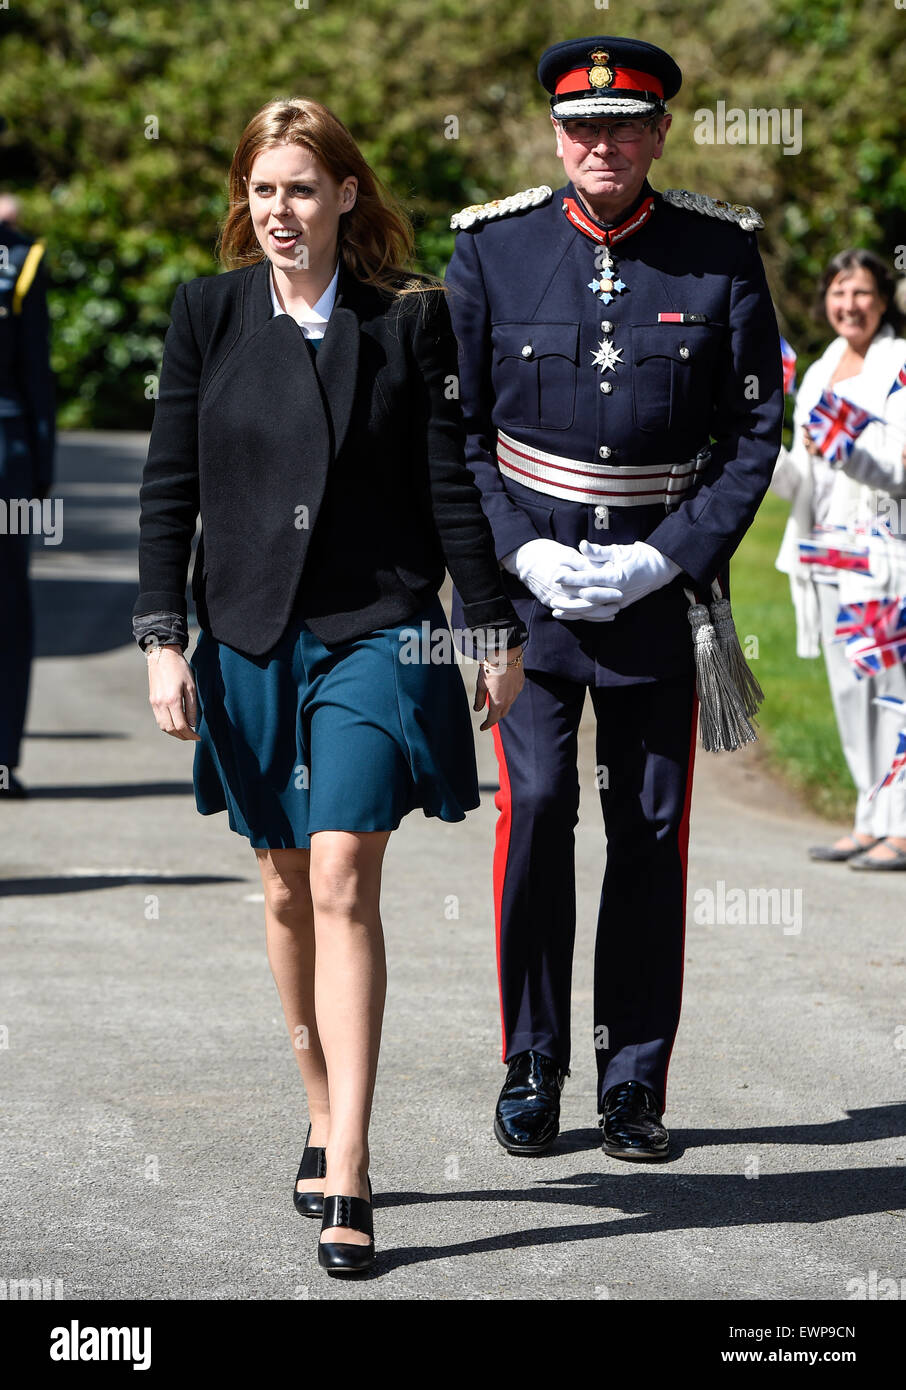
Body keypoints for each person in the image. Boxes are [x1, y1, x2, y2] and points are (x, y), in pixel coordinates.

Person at [132, 97, 526, 1275]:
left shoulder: (410, 323)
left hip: (375, 632)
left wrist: (487, 625)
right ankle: (318, 1100)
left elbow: (452, 485)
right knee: (287, 887)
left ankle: (349, 1162)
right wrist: (163, 634)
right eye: (263, 190)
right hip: (248, 637)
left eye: (303, 188)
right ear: (243, 202)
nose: (280, 211)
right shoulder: (205, 316)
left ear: (347, 196)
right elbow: (167, 488)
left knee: (346, 868)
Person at [445, 36, 783, 1159]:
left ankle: (632, 1083)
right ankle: (532, 1061)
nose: (604, 143)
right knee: (538, 813)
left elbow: (752, 432)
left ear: (660, 135)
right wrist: (516, 557)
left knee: (649, 832)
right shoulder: (491, 251)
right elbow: (459, 433)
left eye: (626, 125)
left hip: (656, 594)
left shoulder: (720, 254)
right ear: (554, 134)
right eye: (584, 126)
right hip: (533, 591)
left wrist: (667, 556)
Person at [772, 249, 906, 869]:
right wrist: (756, 450)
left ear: (883, 300)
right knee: (851, 693)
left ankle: (899, 825)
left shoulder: (899, 366)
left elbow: (900, 472)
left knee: (889, 692)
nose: (849, 305)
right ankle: (866, 816)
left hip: (879, 555)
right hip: (824, 554)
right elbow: (800, 481)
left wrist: (845, 446)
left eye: (862, 292)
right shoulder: (821, 371)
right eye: (838, 292)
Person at [0, 203, 55, 798]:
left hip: (5, 451)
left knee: (7, 604)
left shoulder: (21, 256)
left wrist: (41, 469)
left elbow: (34, 369)